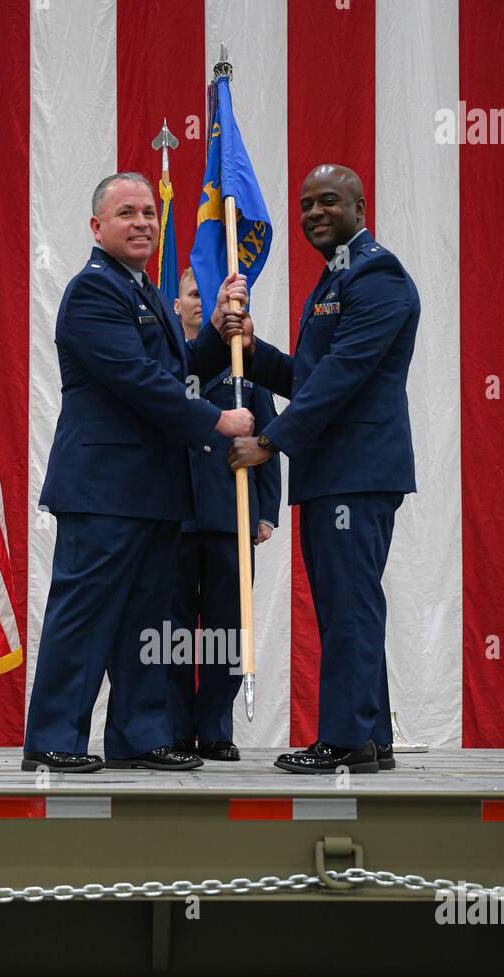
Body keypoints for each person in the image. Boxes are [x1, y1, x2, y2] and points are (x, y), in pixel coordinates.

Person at [22, 172, 253, 774]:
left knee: (147, 623)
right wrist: (216, 420)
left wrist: (220, 331)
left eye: (150, 212)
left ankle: (138, 735)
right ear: (97, 227)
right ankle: (52, 738)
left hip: (151, 491)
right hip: (103, 489)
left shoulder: (146, 291)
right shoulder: (94, 291)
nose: (145, 222)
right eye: (128, 212)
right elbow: (137, 380)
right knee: (85, 614)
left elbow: (169, 371)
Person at [226, 164, 420, 774]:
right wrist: (255, 354)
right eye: (306, 204)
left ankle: (345, 741)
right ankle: (370, 736)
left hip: (355, 471)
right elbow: (313, 376)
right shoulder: (337, 276)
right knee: (347, 604)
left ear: (361, 206)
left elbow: (343, 376)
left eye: (328, 201)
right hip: (336, 470)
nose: (314, 213)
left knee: (349, 605)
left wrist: (271, 441)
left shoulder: (377, 274)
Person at [169, 267, 281, 760]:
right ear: (177, 304)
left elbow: (269, 441)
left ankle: (214, 728)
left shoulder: (243, 361)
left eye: (208, 297)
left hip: (229, 513)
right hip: (173, 513)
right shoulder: (166, 361)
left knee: (227, 629)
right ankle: (174, 728)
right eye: (193, 295)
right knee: (171, 632)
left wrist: (266, 512)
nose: (200, 304)